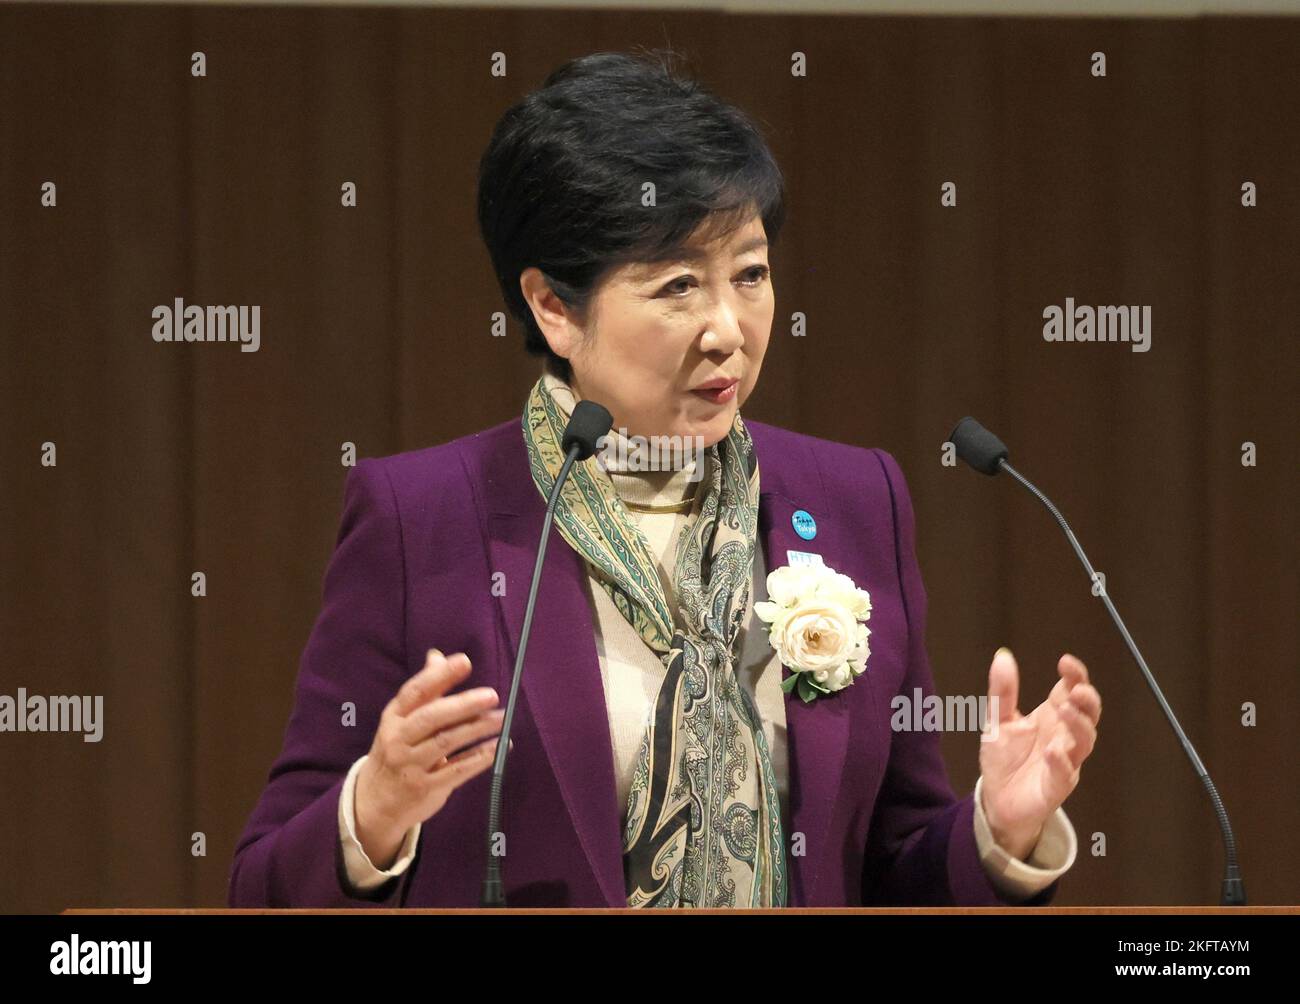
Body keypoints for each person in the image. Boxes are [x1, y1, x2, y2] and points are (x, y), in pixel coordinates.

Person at [228, 49, 1099, 909]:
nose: (727, 328)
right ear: (554, 308)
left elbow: (890, 862)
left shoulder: (852, 500)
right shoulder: (423, 520)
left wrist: (998, 830)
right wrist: (372, 814)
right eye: (678, 284)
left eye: (750, 274)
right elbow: (261, 886)